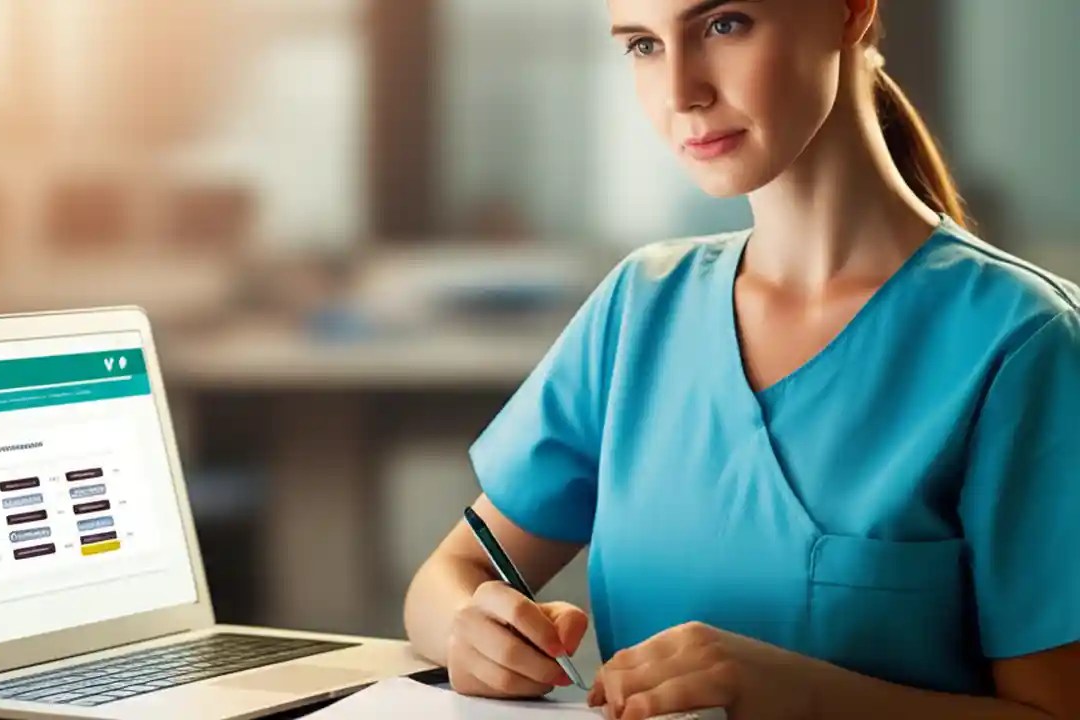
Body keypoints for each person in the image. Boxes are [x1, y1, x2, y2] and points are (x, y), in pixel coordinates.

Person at [403, 0, 1080, 718]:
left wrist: (801, 695)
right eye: (642, 46)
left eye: (723, 25)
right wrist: (470, 631)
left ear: (851, 12)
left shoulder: (1023, 345)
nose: (679, 93)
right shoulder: (640, 308)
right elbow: (453, 572)